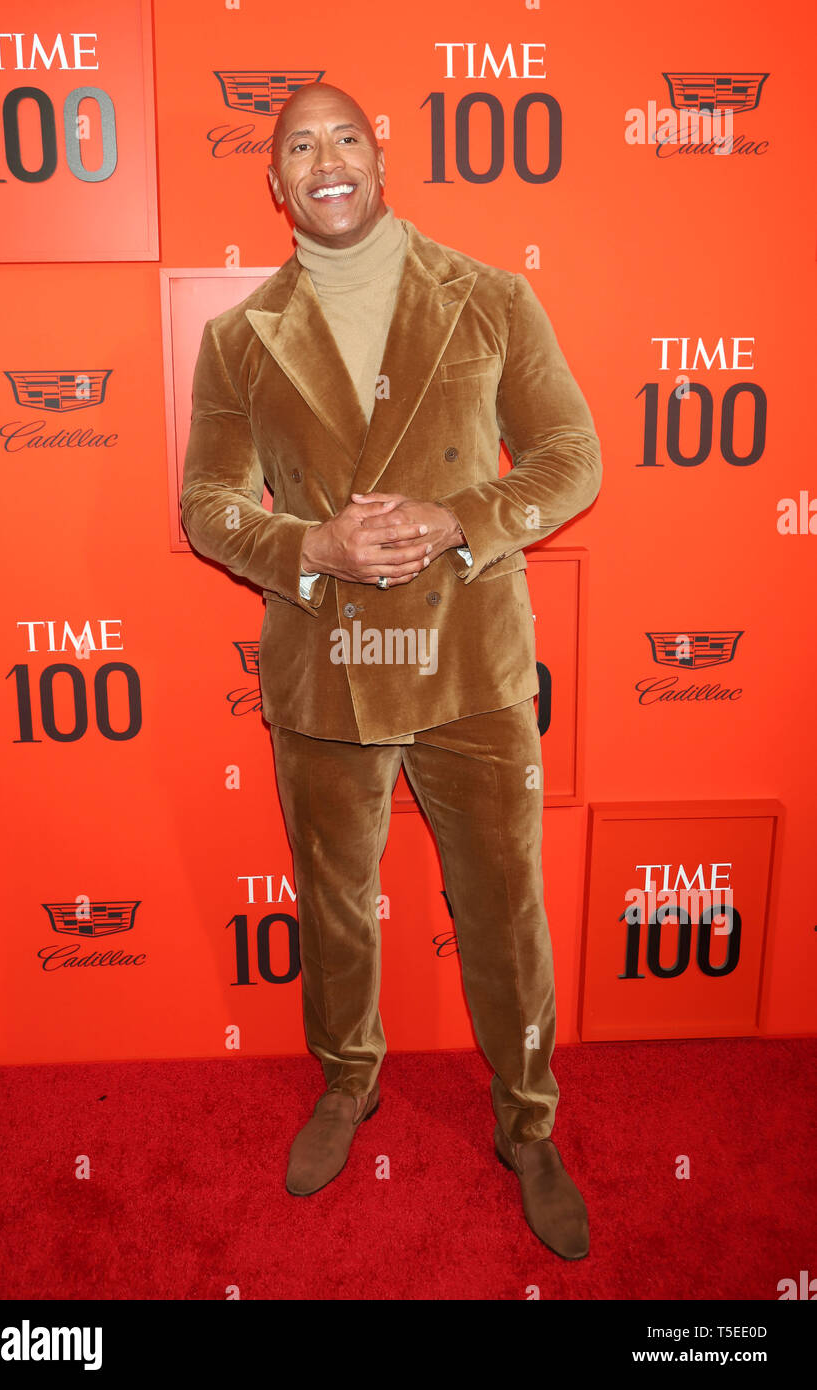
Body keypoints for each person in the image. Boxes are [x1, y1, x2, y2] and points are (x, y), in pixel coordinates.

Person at [181, 81, 602, 1260]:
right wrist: (308, 544)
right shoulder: (237, 338)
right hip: (325, 666)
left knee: (505, 913)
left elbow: (572, 454)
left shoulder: (488, 296)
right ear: (274, 185)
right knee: (333, 904)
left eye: (345, 138)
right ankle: (346, 1080)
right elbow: (207, 505)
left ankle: (526, 1122)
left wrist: (461, 518)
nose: (326, 160)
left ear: (381, 160)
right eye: (298, 145)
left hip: (468, 663)